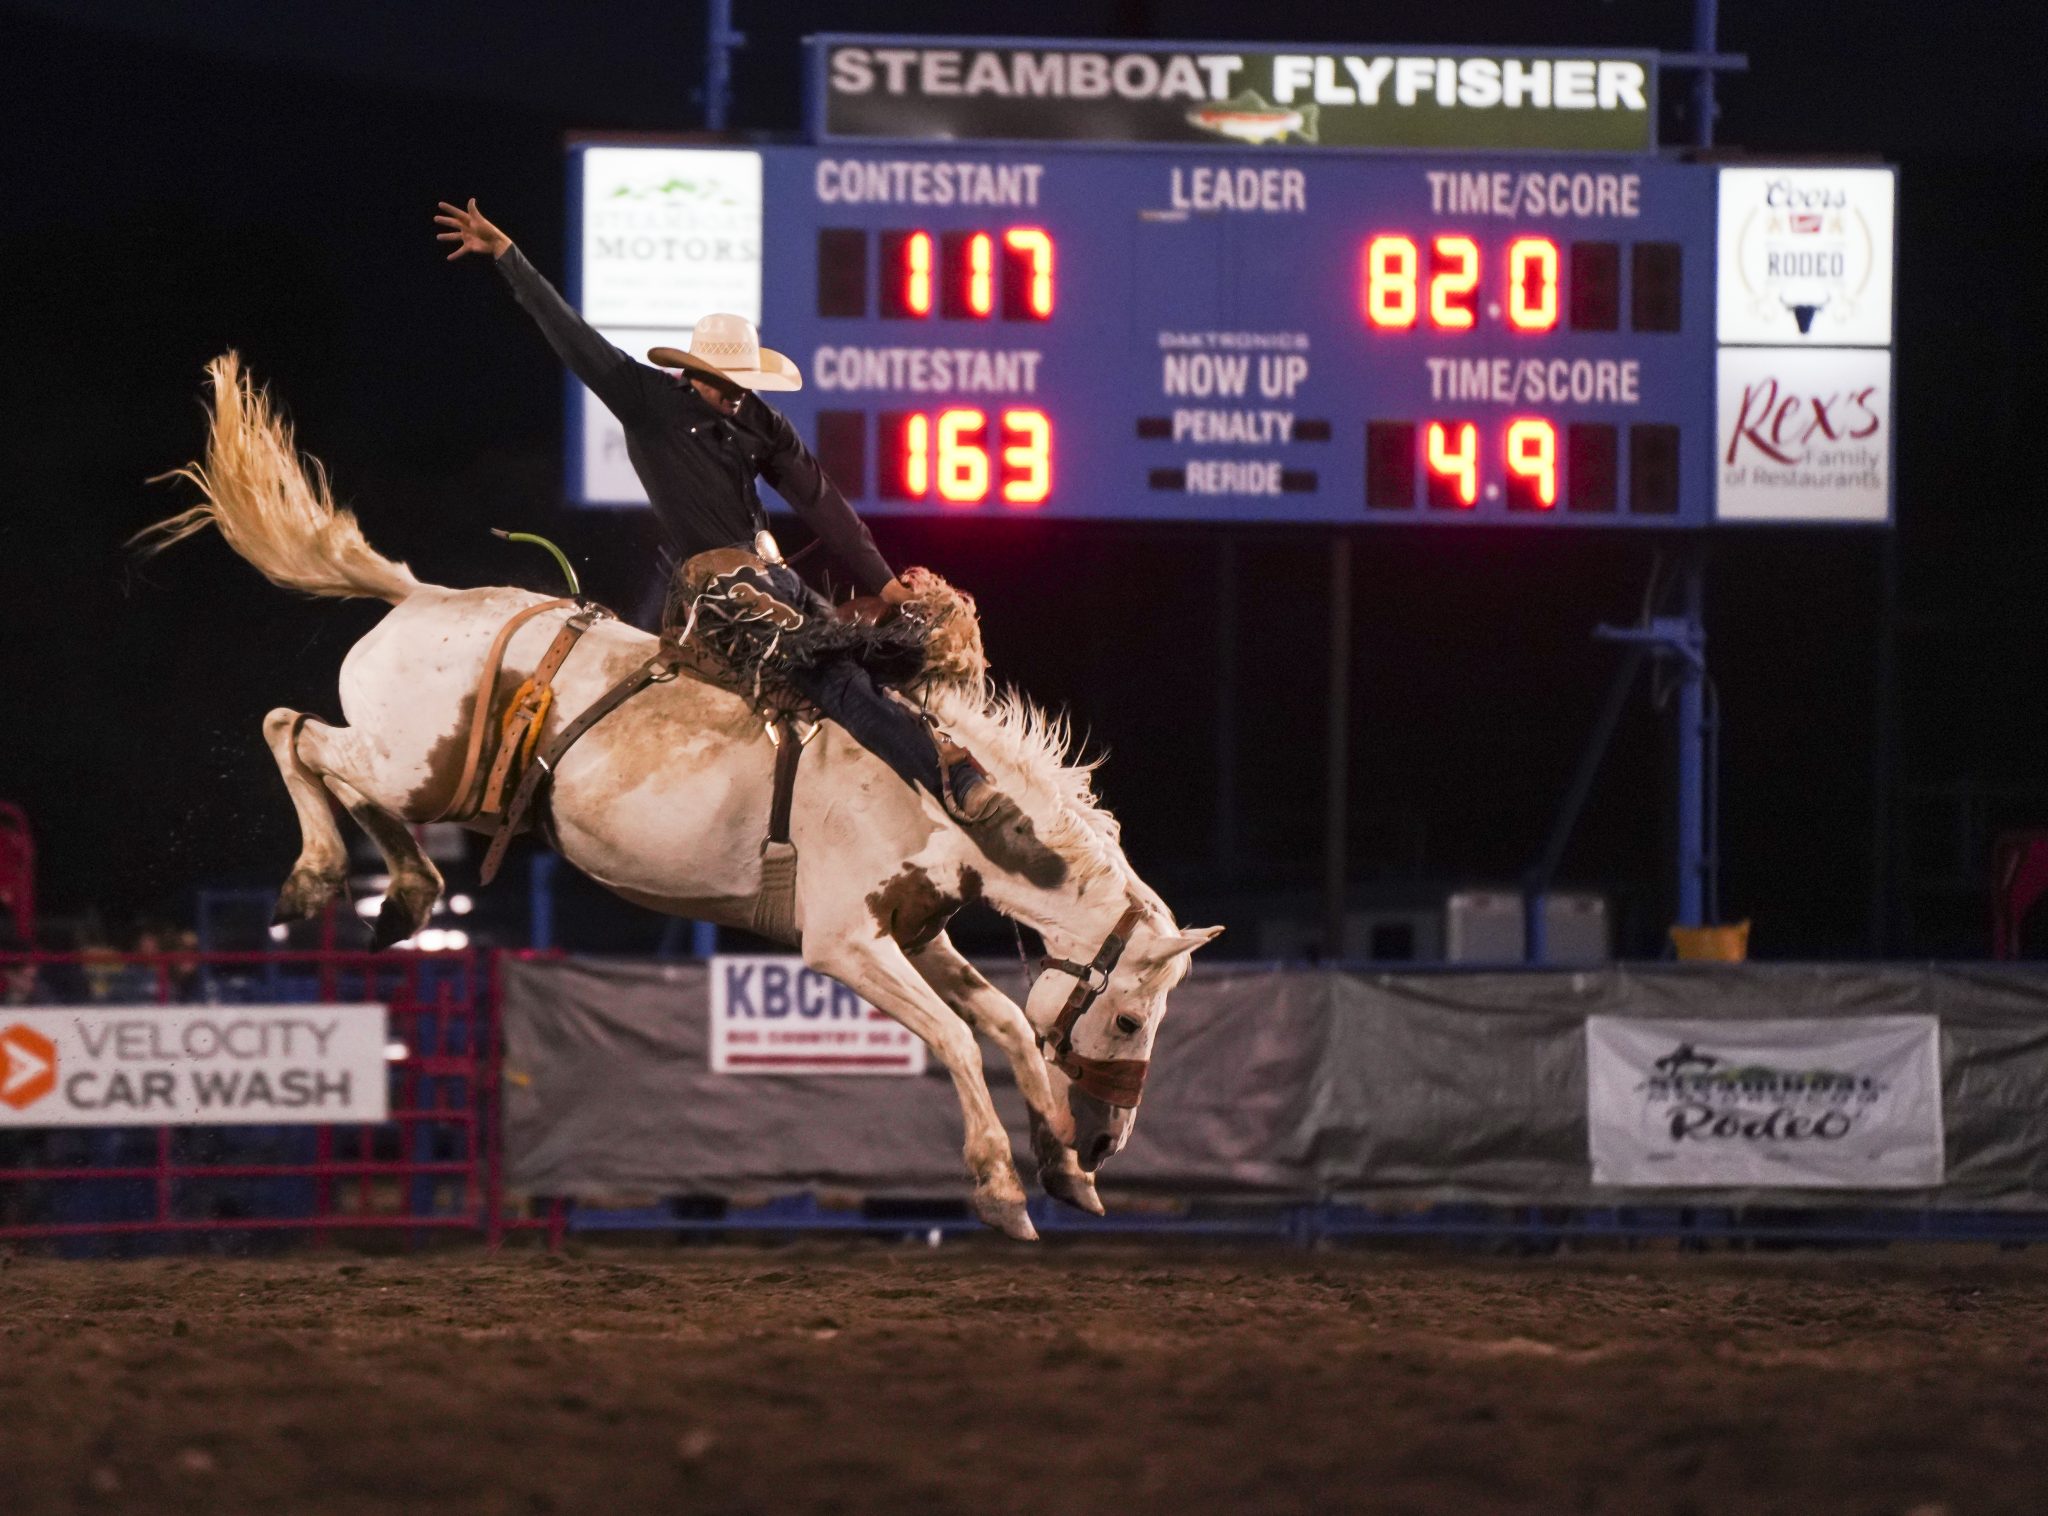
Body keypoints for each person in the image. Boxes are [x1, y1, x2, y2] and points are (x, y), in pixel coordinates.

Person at [434, 198, 999, 824]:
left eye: (742, 382)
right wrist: (510, 258)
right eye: (724, 381)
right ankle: (955, 781)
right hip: (717, 590)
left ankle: (933, 776)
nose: (735, 394)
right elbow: (571, 334)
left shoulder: (762, 420)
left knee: (887, 653)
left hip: (774, 580)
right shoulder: (646, 401)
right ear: (694, 374)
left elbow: (820, 499)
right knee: (826, 673)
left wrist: (885, 583)